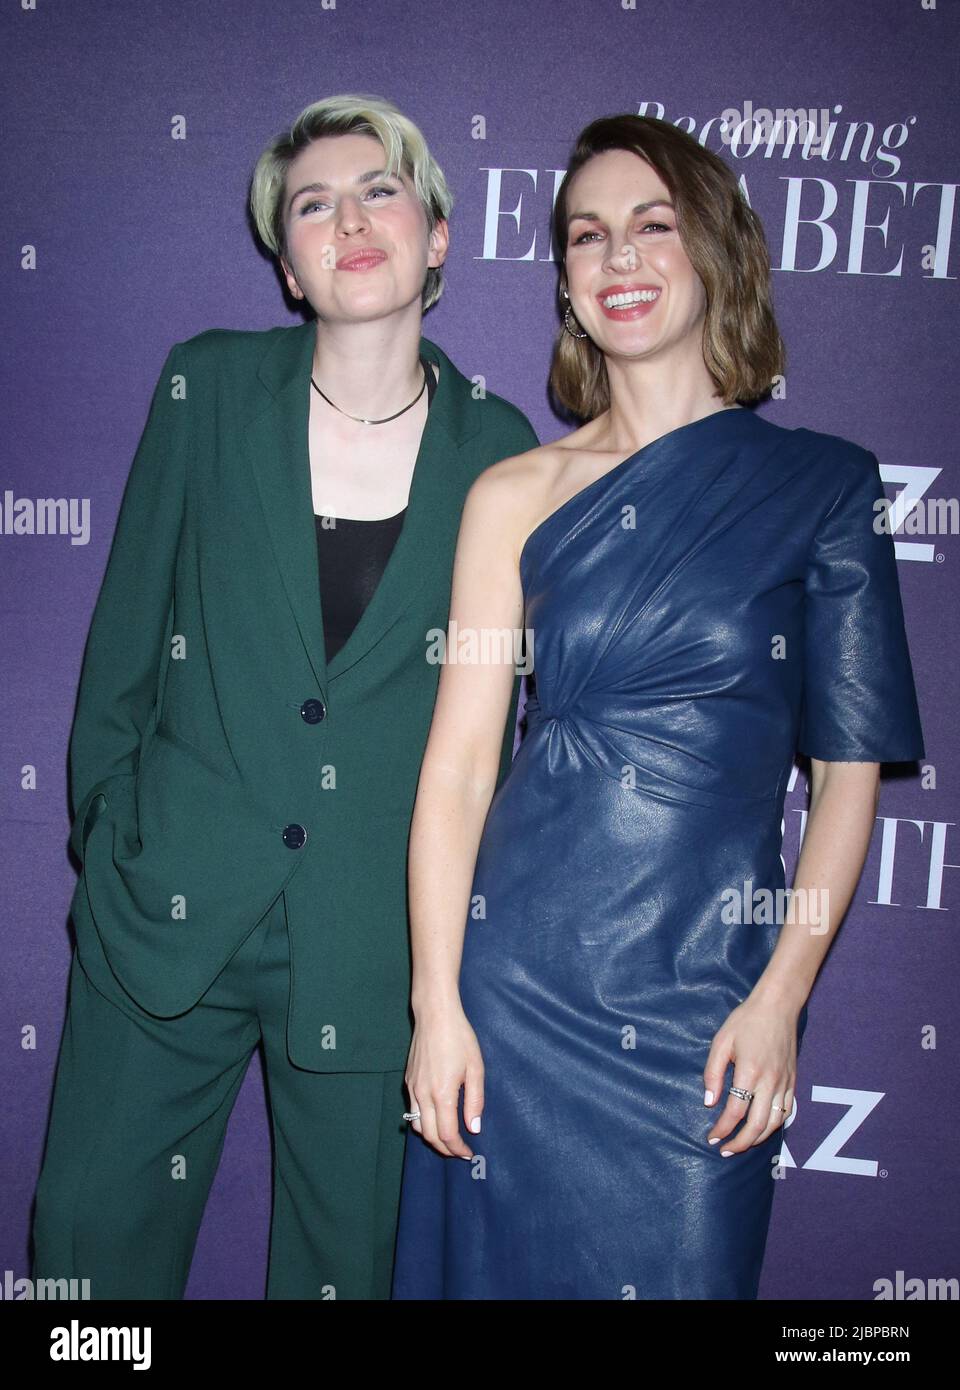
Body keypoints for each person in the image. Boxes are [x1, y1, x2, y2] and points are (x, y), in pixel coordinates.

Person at [391, 113, 925, 1299]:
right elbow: (461, 771)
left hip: (703, 1006)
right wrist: (437, 1005)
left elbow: (845, 776)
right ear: (566, 285)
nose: (618, 259)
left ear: (717, 254)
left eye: (653, 226)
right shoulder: (512, 494)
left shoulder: (826, 488)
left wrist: (782, 994)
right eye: (588, 237)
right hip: (513, 992)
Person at [30, 93, 538, 1300]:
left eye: (379, 191)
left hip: (370, 944)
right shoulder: (205, 389)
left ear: (440, 234)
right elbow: (120, 656)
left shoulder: (499, 449)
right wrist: (113, 838)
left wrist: (440, 959)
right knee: (88, 1264)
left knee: (342, 1276)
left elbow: (493, 739)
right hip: (166, 918)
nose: (349, 219)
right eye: (314, 204)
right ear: (289, 261)